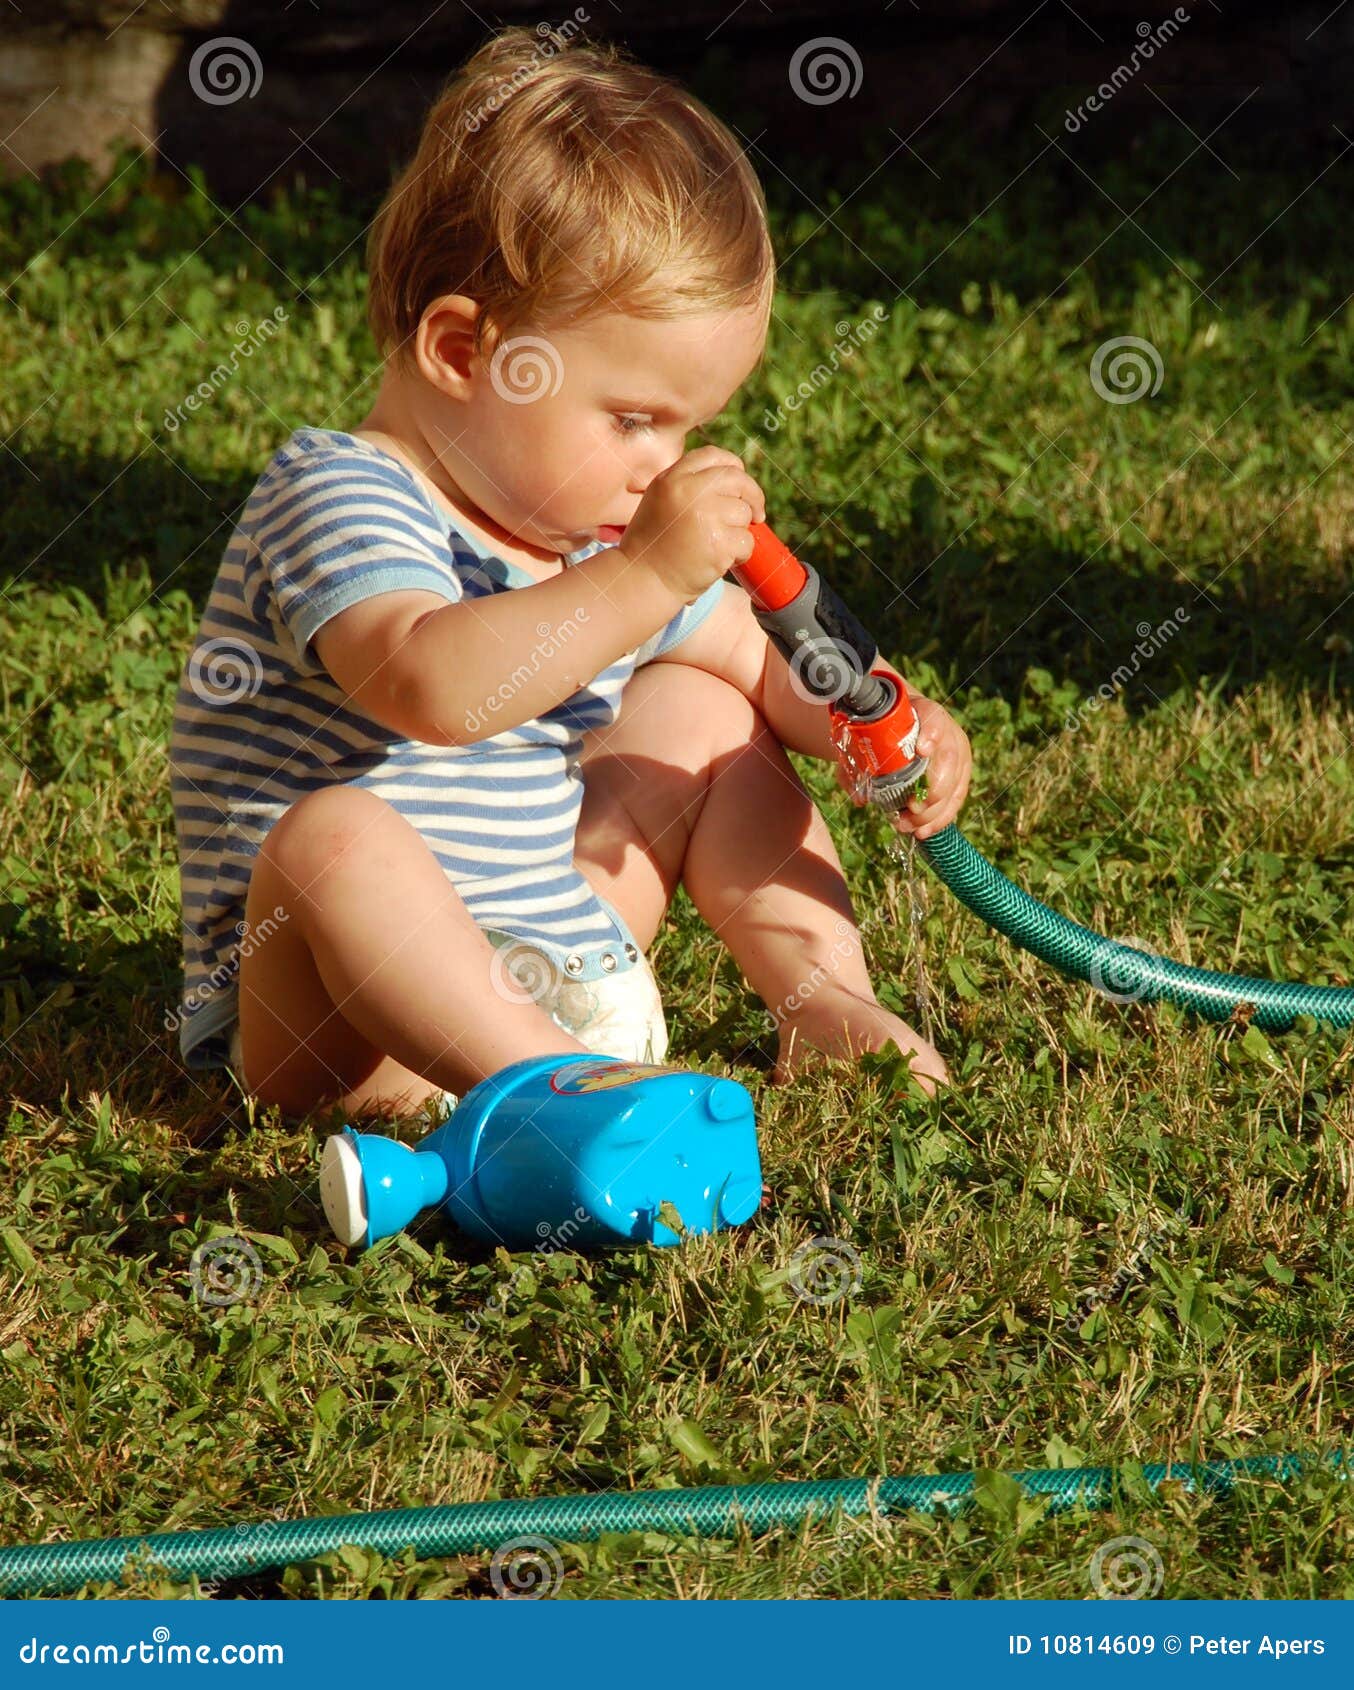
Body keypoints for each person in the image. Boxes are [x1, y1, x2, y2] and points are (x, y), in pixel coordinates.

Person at [168, 24, 971, 1124]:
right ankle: (565, 1088)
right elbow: (430, 687)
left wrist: (873, 719)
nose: (663, 465)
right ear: (465, 353)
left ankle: (822, 998)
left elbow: (756, 655)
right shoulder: (339, 493)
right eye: (633, 419)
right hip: (343, 1024)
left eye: (689, 427)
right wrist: (640, 575)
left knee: (706, 711)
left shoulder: (590, 537)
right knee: (331, 839)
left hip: (562, 961)